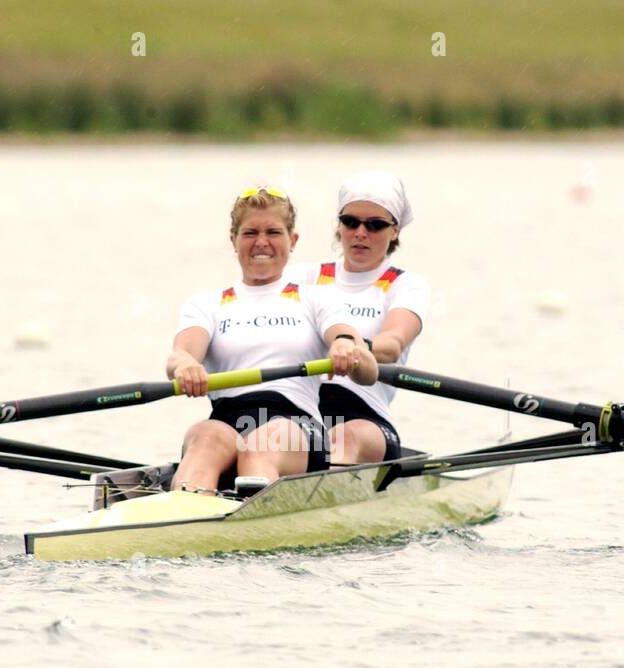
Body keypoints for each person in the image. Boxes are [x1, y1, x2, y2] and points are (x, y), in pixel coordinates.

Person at [166, 187, 377, 493]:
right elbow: (179, 355)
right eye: (250, 232)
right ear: (233, 239)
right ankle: (183, 517)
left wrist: (347, 348)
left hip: (296, 427)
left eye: (273, 232)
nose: (261, 242)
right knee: (203, 436)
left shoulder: (317, 298)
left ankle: (250, 525)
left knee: (262, 443)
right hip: (227, 423)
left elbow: (367, 371)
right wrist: (185, 366)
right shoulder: (206, 304)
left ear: (292, 241)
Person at [299, 171, 430, 464]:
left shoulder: (405, 284)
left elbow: (393, 343)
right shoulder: (305, 277)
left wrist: (350, 347)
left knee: (345, 439)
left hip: (364, 416)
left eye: (374, 225)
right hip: (298, 410)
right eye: (351, 222)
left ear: (394, 231)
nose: (361, 233)